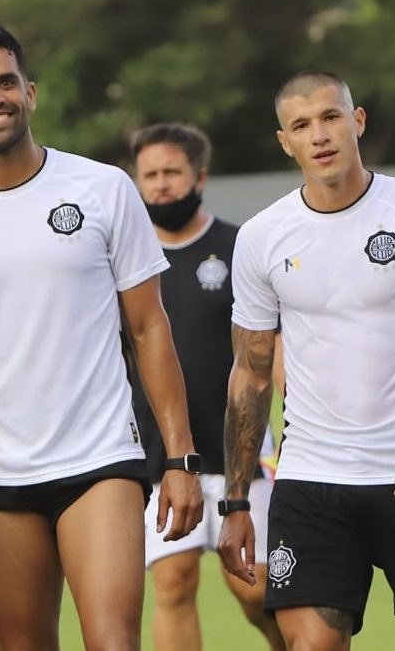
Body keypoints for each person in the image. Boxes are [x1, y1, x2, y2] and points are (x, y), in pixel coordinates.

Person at [0, 23, 203, 650]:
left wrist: (179, 457)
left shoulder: (103, 189)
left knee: (113, 642)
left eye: (6, 81)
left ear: (30, 92)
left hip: (101, 460)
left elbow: (149, 327)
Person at [219, 70, 395, 651]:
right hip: (312, 482)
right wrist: (238, 500)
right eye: (301, 125)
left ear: (357, 120)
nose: (319, 135)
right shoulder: (263, 236)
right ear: (284, 141)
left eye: (330, 117)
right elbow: (252, 370)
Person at [127, 122, 285, 651]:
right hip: (159, 457)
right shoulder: (124, 260)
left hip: (240, 450)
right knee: (172, 582)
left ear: (201, 175)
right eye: (149, 175)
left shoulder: (239, 247)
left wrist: (294, 422)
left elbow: (272, 350)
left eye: (172, 171)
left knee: (255, 590)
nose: (161, 184)